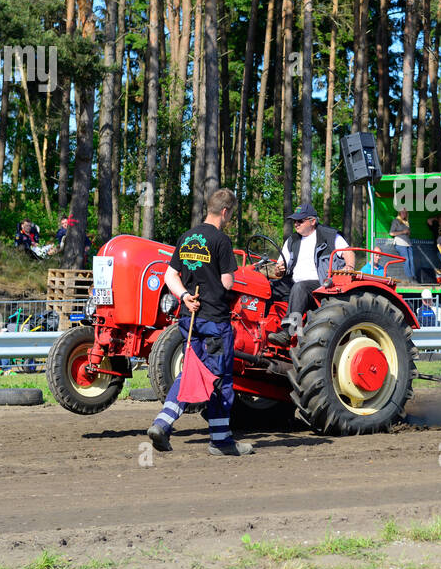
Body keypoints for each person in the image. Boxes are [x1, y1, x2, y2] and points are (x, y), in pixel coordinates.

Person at [148, 188, 252, 457]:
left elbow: (170, 275)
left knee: (192, 371)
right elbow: (228, 282)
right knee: (220, 379)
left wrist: (184, 296)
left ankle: (162, 423)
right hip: (216, 321)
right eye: (231, 215)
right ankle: (220, 441)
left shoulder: (187, 237)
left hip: (189, 319)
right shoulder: (221, 241)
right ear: (225, 212)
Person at [267, 202, 353, 346]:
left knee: (300, 288)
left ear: (312, 221)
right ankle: (262, 331)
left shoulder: (329, 235)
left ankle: (289, 333)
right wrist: (278, 270)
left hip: (321, 283)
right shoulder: (292, 240)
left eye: (300, 221)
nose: (296, 224)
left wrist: (349, 266)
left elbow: (348, 252)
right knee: (267, 288)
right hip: (293, 282)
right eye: (294, 221)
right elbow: (280, 265)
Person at [389, 207, 416, 281]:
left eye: (405, 212)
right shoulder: (396, 221)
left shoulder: (406, 222)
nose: (404, 213)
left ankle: (413, 277)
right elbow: (391, 233)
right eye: (402, 212)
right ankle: (409, 278)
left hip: (408, 243)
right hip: (400, 243)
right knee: (406, 260)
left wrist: (408, 233)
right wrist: (403, 232)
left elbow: (407, 233)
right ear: (399, 213)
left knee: (411, 259)